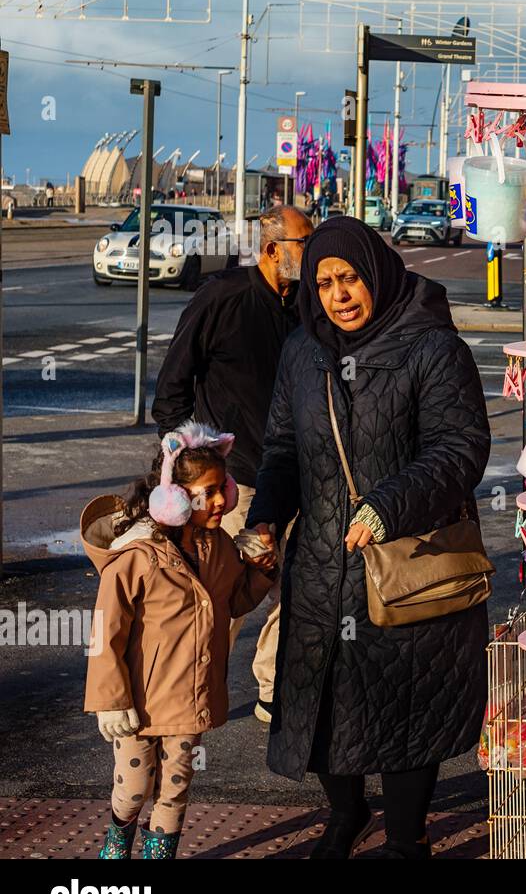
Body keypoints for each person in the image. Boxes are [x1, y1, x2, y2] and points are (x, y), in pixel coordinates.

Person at [247, 216, 491, 860]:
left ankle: (408, 837)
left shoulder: (432, 347)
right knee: (325, 702)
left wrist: (389, 504)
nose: (338, 294)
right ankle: (347, 812)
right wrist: (265, 516)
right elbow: (281, 447)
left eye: (349, 278)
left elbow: (460, 448)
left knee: (405, 707)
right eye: (324, 282)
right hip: (324, 564)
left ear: (376, 274)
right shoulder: (304, 349)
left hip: (405, 561)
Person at [82, 423, 278, 859]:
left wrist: (262, 569)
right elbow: (105, 633)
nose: (219, 501)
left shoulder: (219, 546)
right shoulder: (137, 556)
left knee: (174, 788)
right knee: (134, 789)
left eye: (222, 488)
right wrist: (110, 699)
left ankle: (159, 854)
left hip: (189, 699)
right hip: (138, 701)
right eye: (205, 492)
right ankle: (118, 836)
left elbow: (234, 601)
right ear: (172, 497)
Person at [152, 205, 309, 722]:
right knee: (224, 591)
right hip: (235, 483)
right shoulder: (222, 298)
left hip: (298, 476)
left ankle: (271, 686)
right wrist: (182, 464)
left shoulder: (306, 304)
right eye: (303, 244)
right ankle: (192, 688)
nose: (312, 254)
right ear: (271, 250)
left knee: (298, 585)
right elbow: (174, 383)